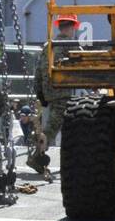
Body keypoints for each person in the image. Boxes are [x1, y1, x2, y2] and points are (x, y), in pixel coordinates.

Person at [30, 13, 80, 173]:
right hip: (63, 92)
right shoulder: (71, 45)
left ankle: (43, 153)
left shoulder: (47, 46)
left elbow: (38, 72)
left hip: (48, 93)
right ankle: (37, 156)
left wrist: (40, 93)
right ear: (72, 27)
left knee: (55, 123)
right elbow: (82, 65)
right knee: (53, 126)